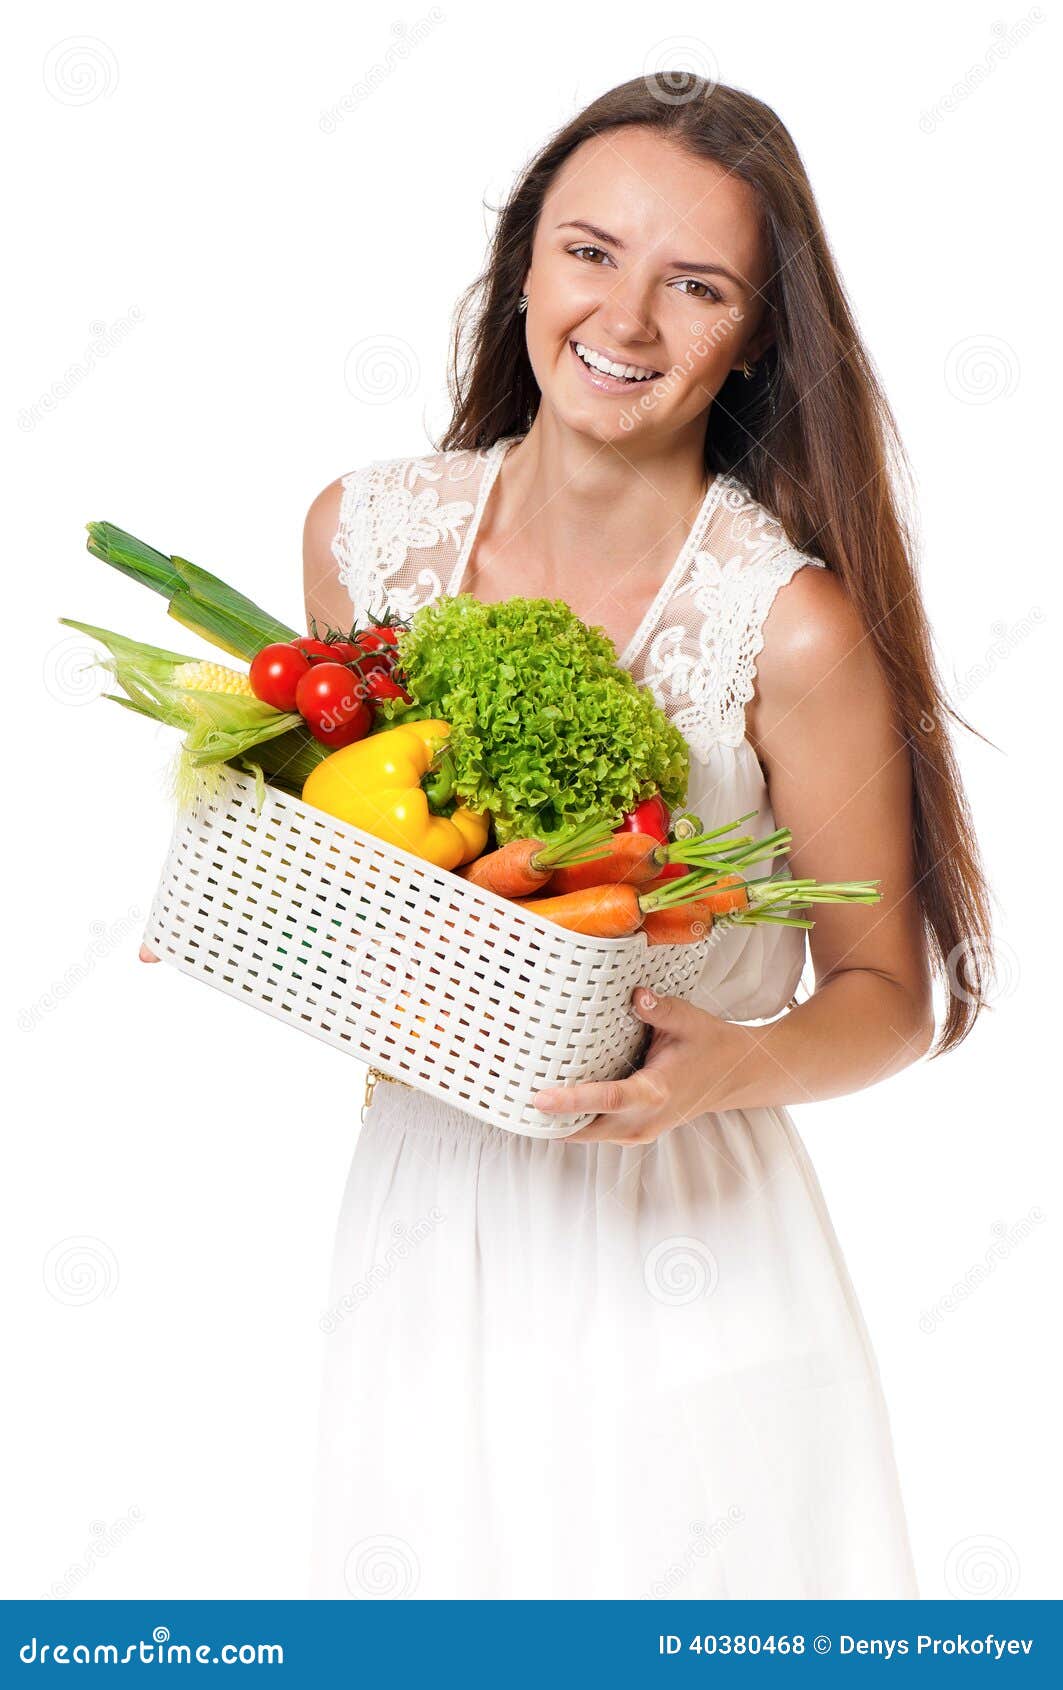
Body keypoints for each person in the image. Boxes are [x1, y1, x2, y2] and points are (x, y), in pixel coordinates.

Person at [159, 75, 995, 1598]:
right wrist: (258, 906)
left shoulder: (789, 627)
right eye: (590, 253)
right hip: (424, 1217)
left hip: (690, 1231)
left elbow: (890, 994)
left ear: (757, 335)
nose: (627, 318)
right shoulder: (364, 536)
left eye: (699, 285)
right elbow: (379, 881)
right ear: (525, 265)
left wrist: (723, 1069)